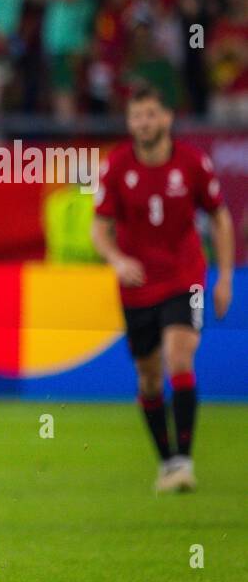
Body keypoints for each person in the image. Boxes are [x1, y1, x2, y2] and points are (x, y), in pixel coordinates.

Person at [92, 83, 235, 491]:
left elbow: (220, 217)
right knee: (149, 377)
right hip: (138, 286)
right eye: (137, 116)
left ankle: (185, 462)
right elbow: (98, 227)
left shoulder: (192, 162)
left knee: (179, 356)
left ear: (167, 118)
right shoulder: (117, 167)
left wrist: (223, 277)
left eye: (151, 114)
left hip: (184, 277)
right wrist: (117, 259)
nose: (144, 123)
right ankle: (168, 461)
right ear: (129, 122)